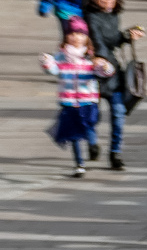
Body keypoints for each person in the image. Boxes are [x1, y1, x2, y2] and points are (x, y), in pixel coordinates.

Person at [82, 0, 145, 172]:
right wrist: (100, 58)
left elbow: (112, 39)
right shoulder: (90, 17)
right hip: (94, 71)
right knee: (91, 113)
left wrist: (127, 35)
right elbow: (98, 40)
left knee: (118, 114)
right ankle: (93, 143)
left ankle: (115, 153)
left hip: (113, 73)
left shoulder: (114, 15)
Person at [40, 18, 113, 179]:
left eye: (80, 34)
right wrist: (46, 62)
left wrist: (106, 67)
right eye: (72, 34)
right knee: (73, 135)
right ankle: (79, 164)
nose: (76, 37)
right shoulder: (61, 57)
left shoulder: (90, 58)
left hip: (88, 101)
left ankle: (93, 144)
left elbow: (103, 72)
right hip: (69, 102)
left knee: (88, 126)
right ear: (66, 36)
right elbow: (52, 70)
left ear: (86, 37)